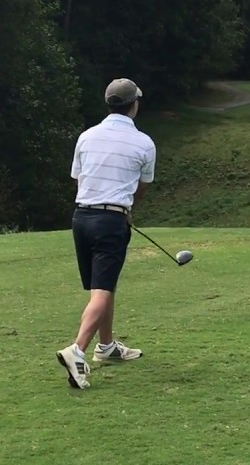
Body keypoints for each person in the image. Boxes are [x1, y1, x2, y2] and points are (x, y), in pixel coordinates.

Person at [56, 77, 156, 389]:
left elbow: (79, 178)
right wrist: (121, 208)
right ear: (134, 104)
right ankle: (77, 351)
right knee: (102, 291)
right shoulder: (144, 143)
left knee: (101, 287)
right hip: (111, 221)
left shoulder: (86, 137)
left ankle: (107, 346)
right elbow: (141, 190)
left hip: (81, 219)